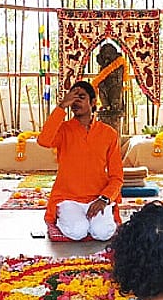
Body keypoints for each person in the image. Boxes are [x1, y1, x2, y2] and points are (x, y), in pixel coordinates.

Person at [36, 80, 124, 241]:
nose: (75, 102)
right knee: (78, 232)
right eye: (72, 98)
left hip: (98, 197)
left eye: (81, 97)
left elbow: (117, 176)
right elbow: (43, 140)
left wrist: (104, 199)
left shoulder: (108, 134)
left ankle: (94, 220)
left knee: (103, 233)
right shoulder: (63, 129)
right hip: (68, 198)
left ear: (92, 102)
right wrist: (61, 106)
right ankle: (63, 221)